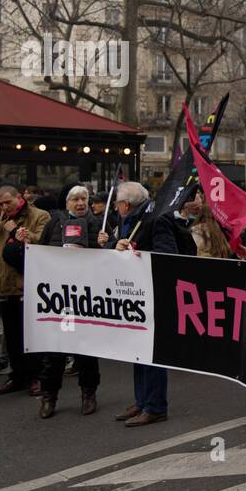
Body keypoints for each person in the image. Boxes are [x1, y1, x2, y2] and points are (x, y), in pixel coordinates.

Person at [110, 181, 195, 427]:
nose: (116, 208)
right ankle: (142, 400)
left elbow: (167, 256)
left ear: (125, 204)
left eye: (117, 204)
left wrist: (137, 254)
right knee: (136, 350)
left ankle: (155, 406)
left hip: (152, 292)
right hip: (134, 293)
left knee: (151, 352)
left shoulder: (156, 219)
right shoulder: (130, 219)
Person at [28, 185, 102, 418]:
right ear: (67, 203)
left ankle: (88, 394)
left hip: (87, 297)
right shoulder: (55, 222)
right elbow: (39, 251)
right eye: (75, 199)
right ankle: (49, 397)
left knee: (86, 351)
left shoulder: (98, 224)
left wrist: (105, 243)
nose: (80, 203)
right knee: (54, 351)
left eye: (84, 199)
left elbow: (111, 259)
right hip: (57, 297)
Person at [0, 185, 50, 396]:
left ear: (20, 198)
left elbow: (43, 245)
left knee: (31, 336)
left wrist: (17, 233)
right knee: (12, 336)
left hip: (28, 284)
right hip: (5, 284)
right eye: (0, 203)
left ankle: (36, 377)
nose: (4, 207)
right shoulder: (0, 218)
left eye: (8, 202)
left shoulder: (39, 215)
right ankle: (18, 376)